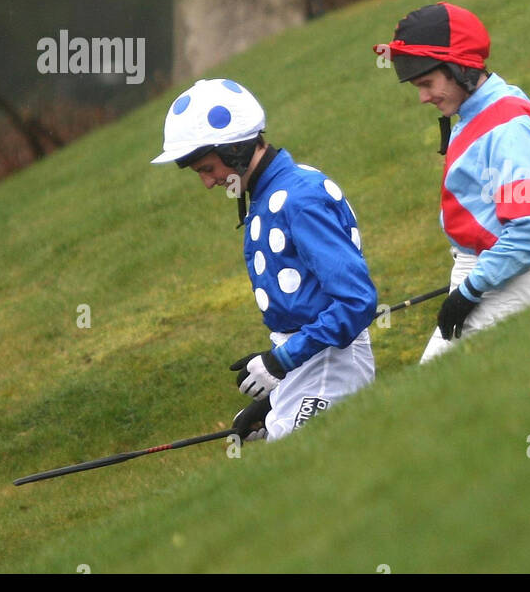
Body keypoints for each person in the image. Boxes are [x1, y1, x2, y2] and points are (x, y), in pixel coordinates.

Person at [151, 78, 377, 440]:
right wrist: (274, 400)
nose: (208, 183)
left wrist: (280, 362)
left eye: (208, 169)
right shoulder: (268, 196)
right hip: (309, 365)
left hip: (330, 363)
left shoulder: (299, 198)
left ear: (235, 150)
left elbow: (357, 301)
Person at [376, 3, 530, 363]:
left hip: (506, 287)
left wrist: (470, 290)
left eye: (428, 84)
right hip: (490, 278)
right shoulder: (477, 112)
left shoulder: (510, 127)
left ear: (460, 68)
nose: (423, 97)